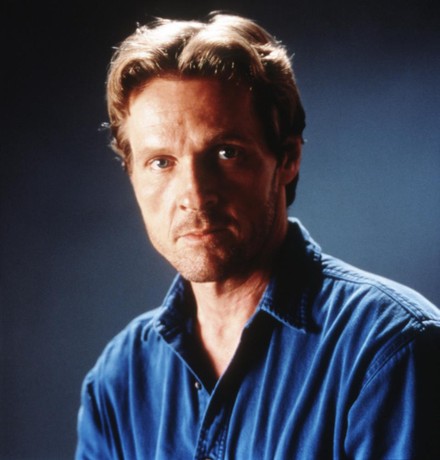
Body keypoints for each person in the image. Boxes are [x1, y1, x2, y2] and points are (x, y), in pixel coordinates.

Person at [75, 12, 440, 459]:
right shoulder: (118, 380)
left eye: (226, 153)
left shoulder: (390, 349)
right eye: (161, 162)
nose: (195, 195)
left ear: (287, 159)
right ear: (132, 173)